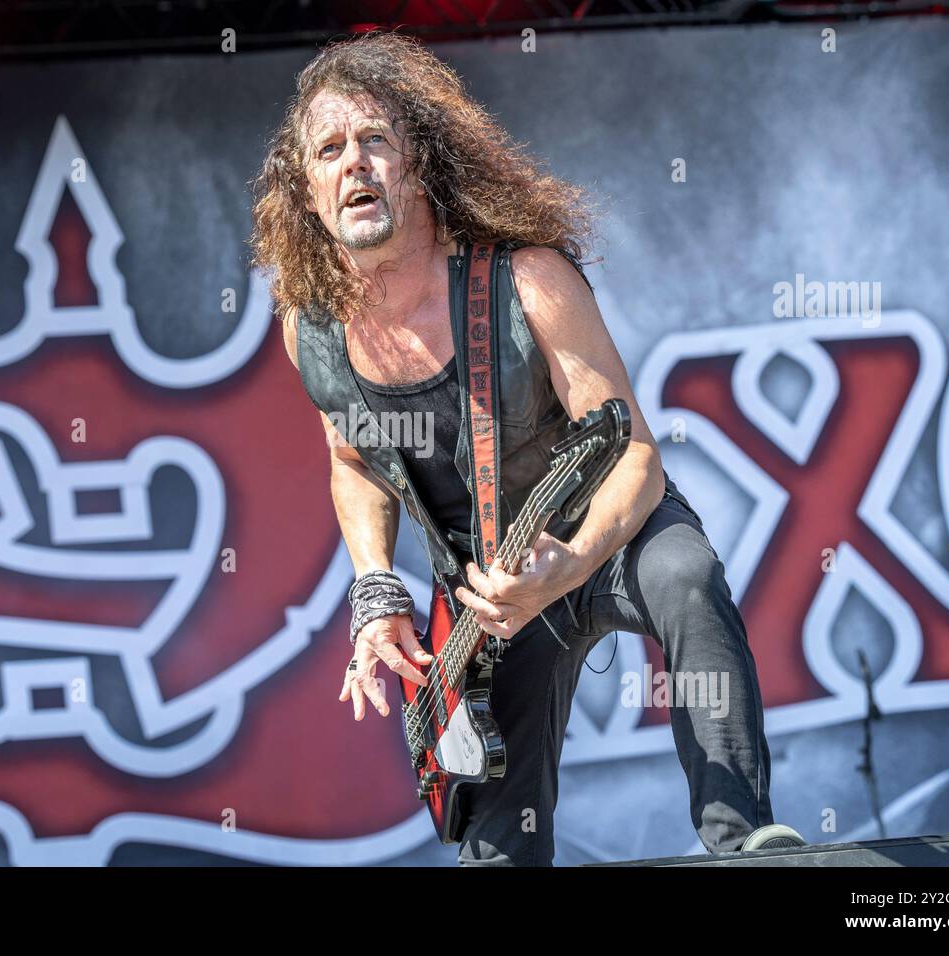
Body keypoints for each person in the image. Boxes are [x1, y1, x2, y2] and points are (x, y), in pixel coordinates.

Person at [250, 31, 802, 865]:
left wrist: (572, 563)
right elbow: (353, 459)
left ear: (421, 163)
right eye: (330, 151)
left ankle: (744, 840)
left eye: (375, 142)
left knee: (686, 577)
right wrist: (374, 587)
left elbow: (636, 456)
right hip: (487, 599)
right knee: (500, 850)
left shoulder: (528, 279)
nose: (354, 164)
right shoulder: (311, 330)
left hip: (607, 532)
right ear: (308, 192)